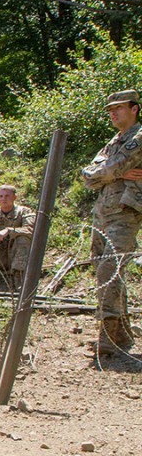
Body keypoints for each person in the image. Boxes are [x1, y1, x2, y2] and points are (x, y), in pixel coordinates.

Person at [83, 90, 142, 356]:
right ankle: (123, 335)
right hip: (103, 211)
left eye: (118, 108)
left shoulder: (138, 138)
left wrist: (109, 172)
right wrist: (112, 173)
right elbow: (87, 175)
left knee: (110, 270)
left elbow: (111, 168)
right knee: (104, 270)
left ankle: (108, 340)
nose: (113, 113)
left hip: (125, 212)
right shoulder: (113, 141)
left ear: (134, 109)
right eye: (110, 109)